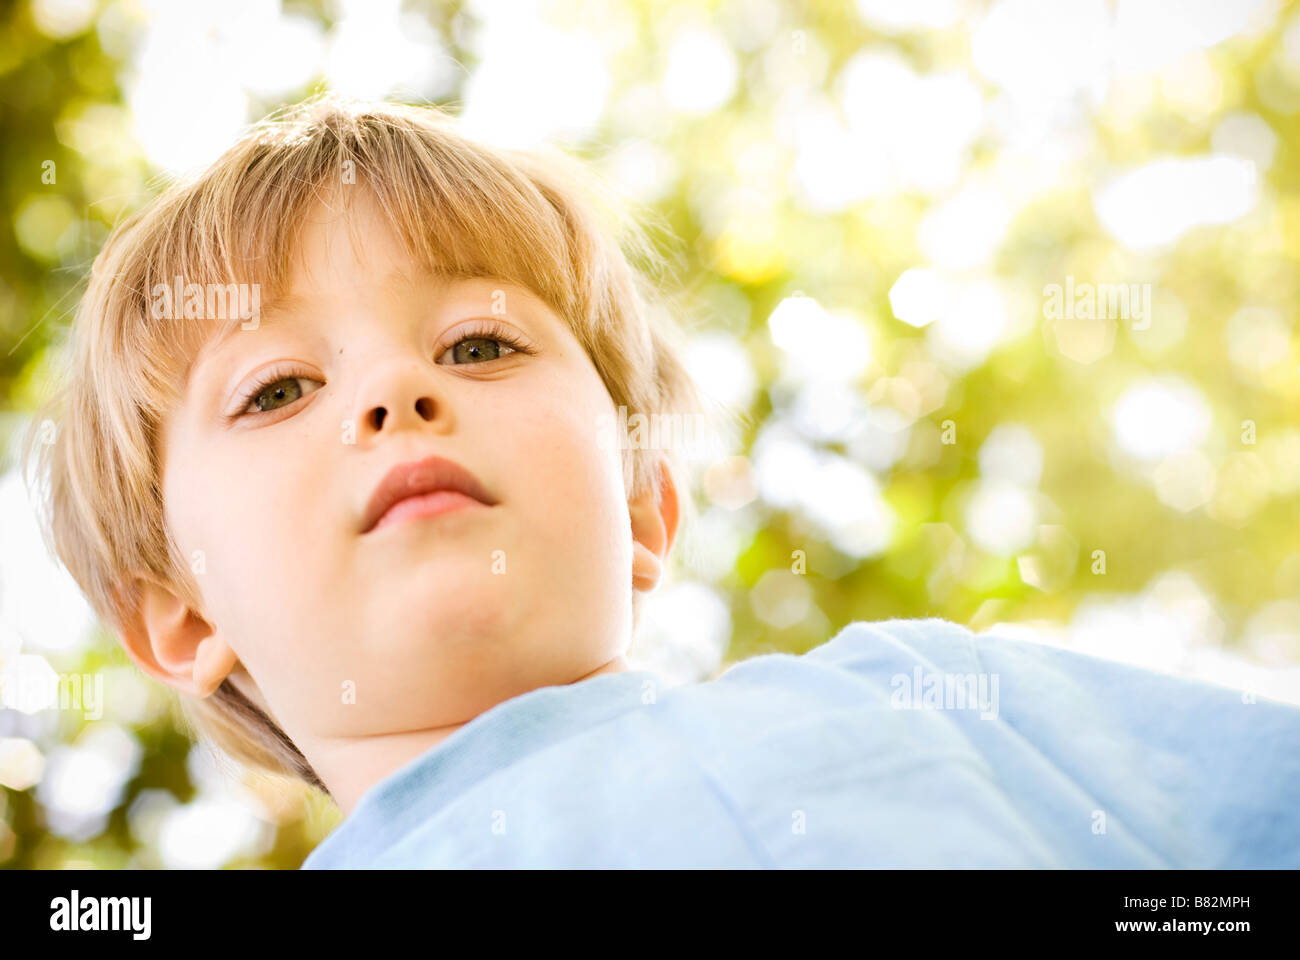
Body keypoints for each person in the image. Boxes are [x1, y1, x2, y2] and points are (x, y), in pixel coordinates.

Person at [25, 95, 1300, 868]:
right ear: (181, 613)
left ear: (642, 503)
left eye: (478, 345)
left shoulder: (946, 701)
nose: (392, 396)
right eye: (278, 389)